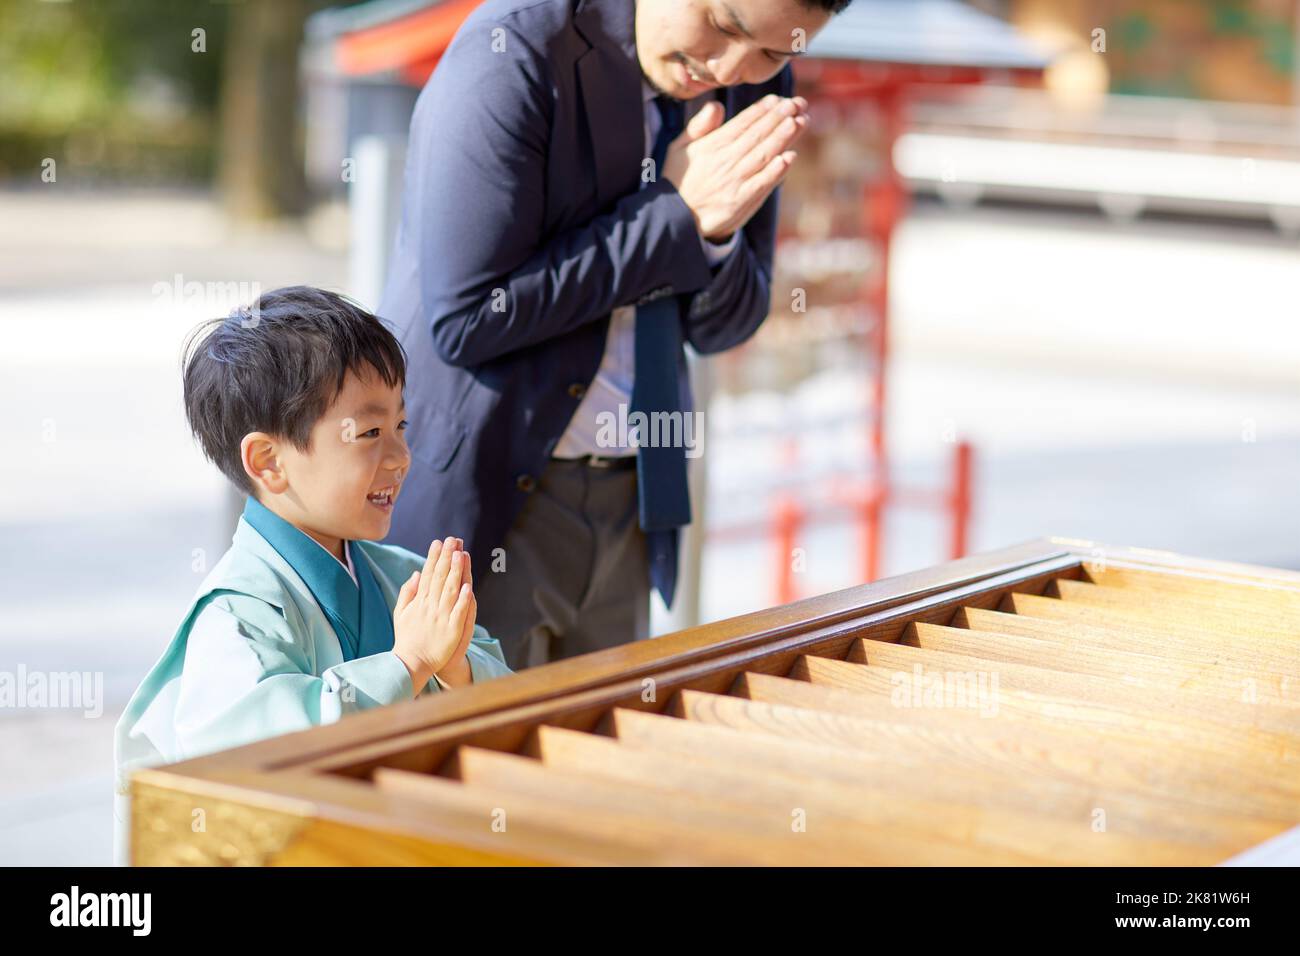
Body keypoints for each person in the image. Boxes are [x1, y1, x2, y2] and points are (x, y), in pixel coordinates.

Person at [381, 0, 849, 669]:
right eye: (723, 25)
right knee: (475, 761)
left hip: (634, 499)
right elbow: (470, 317)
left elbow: (728, 323)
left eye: (775, 52)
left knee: (597, 756)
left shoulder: (753, 85)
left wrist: (711, 234)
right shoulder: (510, 54)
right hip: (488, 495)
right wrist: (675, 218)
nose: (729, 69)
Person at [112, 286, 512, 864]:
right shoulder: (236, 614)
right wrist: (408, 666)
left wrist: (458, 669)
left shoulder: (408, 579)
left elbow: (514, 706)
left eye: (401, 425)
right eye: (370, 433)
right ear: (269, 462)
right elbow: (256, 749)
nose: (401, 456)